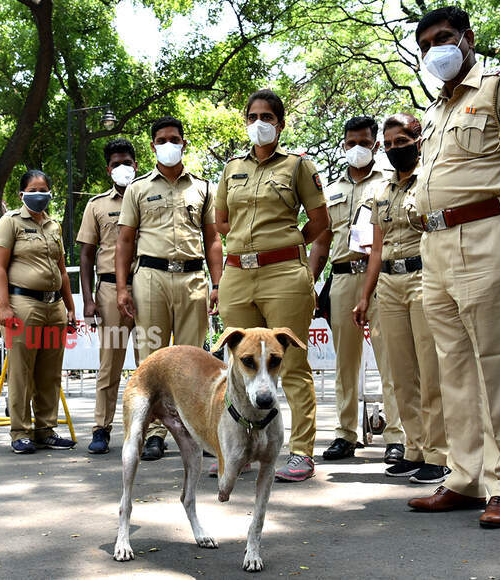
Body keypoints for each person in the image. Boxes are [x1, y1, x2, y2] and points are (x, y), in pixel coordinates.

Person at [404, 6, 500, 528]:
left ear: (468, 38)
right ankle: (464, 478)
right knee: (454, 369)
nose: (436, 50)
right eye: (426, 44)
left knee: (498, 364)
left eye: (444, 37)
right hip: (436, 244)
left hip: (485, 234)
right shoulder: (435, 111)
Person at [215, 89, 330, 482]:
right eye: (252, 117)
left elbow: (320, 221)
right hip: (237, 274)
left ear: (280, 124)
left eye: (267, 117)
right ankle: (240, 449)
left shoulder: (298, 166)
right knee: (237, 365)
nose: (259, 123)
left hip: (284, 274)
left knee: (291, 364)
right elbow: (221, 221)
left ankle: (300, 452)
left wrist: (287, 242)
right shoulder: (231, 168)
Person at [115, 116, 223, 461]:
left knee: (194, 361)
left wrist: (217, 284)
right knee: (151, 358)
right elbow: (125, 241)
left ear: (184, 143)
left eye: (174, 139)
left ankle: (198, 431)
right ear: (152, 146)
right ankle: (154, 434)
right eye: (161, 140)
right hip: (150, 277)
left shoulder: (203, 187)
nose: (168, 145)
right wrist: (122, 287)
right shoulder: (138, 189)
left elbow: (213, 239)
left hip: (193, 278)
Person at [353, 113, 449, 485]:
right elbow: (375, 250)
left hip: (425, 277)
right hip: (389, 285)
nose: (395, 149)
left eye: (402, 142)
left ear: (418, 141)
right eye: (389, 143)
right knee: (401, 373)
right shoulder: (381, 192)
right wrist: (365, 296)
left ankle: (439, 455)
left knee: (430, 370)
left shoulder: (432, 180)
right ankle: (415, 449)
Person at [308, 115, 404, 464]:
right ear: (343, 145)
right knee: (345, 363)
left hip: (383, 278)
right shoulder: (330, 190)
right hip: (343, 278)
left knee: (390, 359)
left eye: (364, 143)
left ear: (376, 145)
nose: (357, 148)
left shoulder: (391, 182)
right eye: (351, 143)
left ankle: (397, 436)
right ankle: (345, 434)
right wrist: (310, 283)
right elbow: (321, 241)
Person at [0, 169, 77, 454]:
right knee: (22, 371)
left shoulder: (54, 226)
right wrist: (4, 306)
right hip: (21, 304)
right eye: (33, 190)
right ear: (22, 194)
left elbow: (62, 270)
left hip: (54, 306)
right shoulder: (10, 222)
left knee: (50, 372)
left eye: (43, 190)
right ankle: (20, 432)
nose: (39, 195)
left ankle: (45, 429)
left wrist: (70, 306)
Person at [76, 138, 140, 454]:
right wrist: (88, 299)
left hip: (146, 285)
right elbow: (86, 254)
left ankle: (150, 432)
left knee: (150, 364)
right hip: (110, 291)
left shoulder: (147, 197)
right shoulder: (97, 205)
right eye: (116, 164)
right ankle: (101, 428)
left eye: (127, 162)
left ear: (136, 165)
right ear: (108, 169)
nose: (122, 168)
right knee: (109, 364)